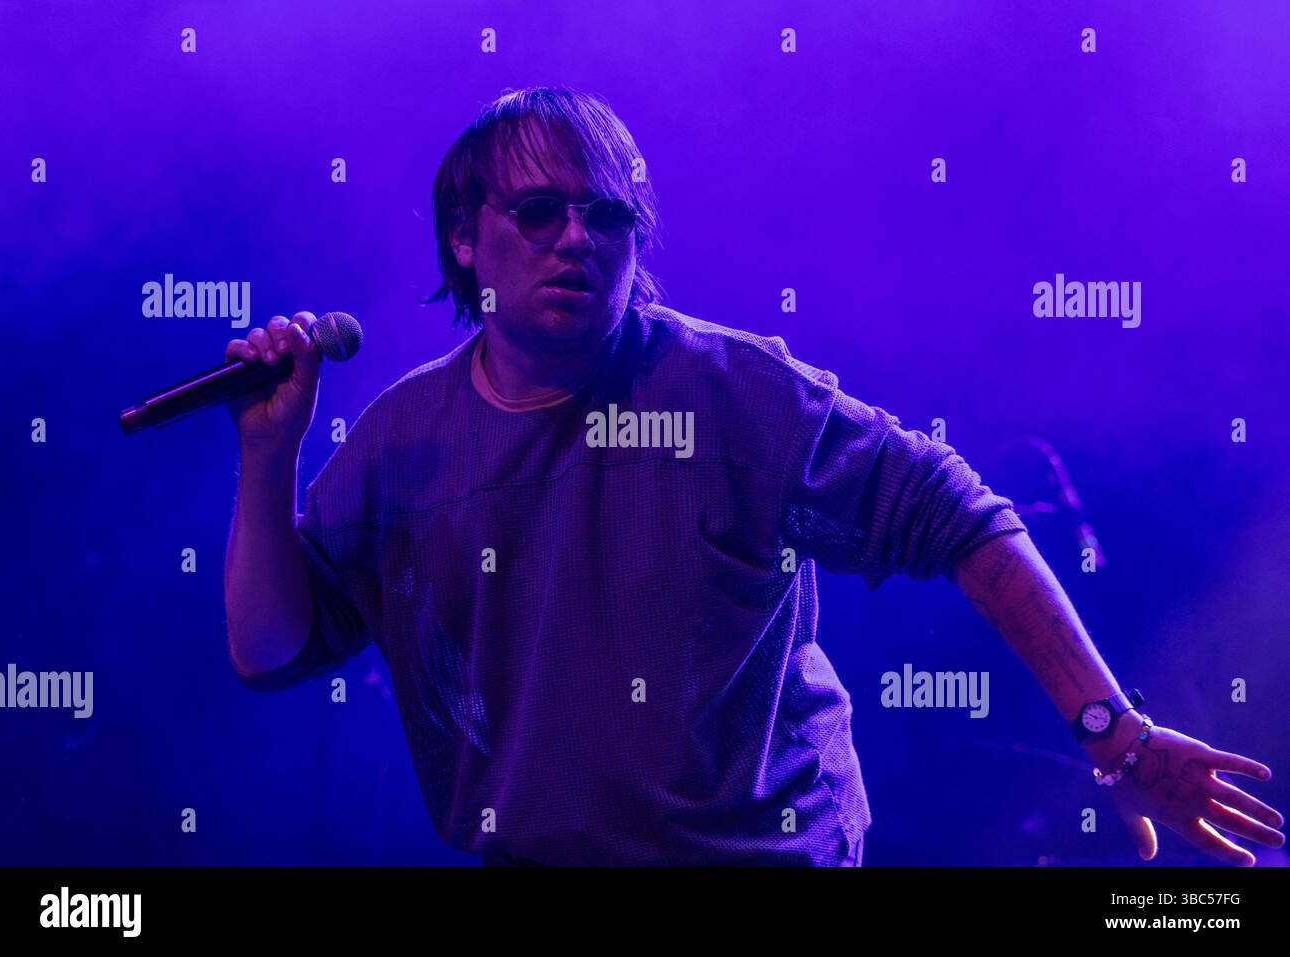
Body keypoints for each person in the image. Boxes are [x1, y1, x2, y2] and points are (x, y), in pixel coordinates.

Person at [222, 86, 1284, 866]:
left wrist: (1112, 731)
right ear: (464, 241)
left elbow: (960, 514)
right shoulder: (406, 437)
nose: (577, 239)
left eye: (609, 217)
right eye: (539, 211)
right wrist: (268, 458)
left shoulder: (733, 392)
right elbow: (269, 651)